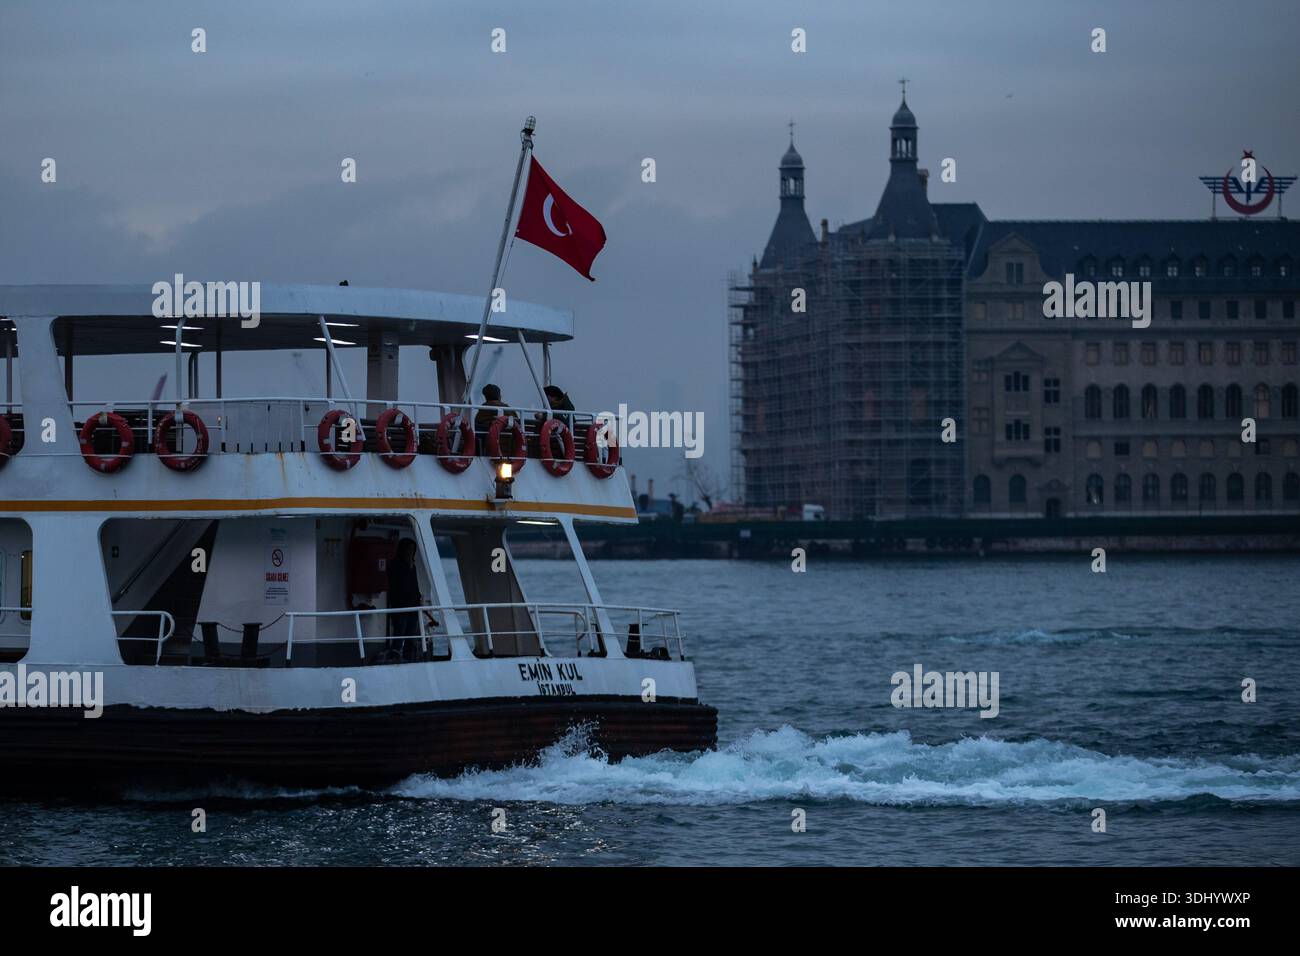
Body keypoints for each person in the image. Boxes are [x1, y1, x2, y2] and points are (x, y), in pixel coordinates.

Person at [385, 538, 424, 661]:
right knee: (399, 635)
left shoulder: (412, 566)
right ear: (402, 549)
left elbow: (414, 585)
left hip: (412, 606)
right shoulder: (395, 565)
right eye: (408, 549)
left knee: (410, 637)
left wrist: (418, 600)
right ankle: (395, 658)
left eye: (412, 549)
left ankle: (408, 659)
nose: (410, 552)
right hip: (400, 606)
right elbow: (397, 586)